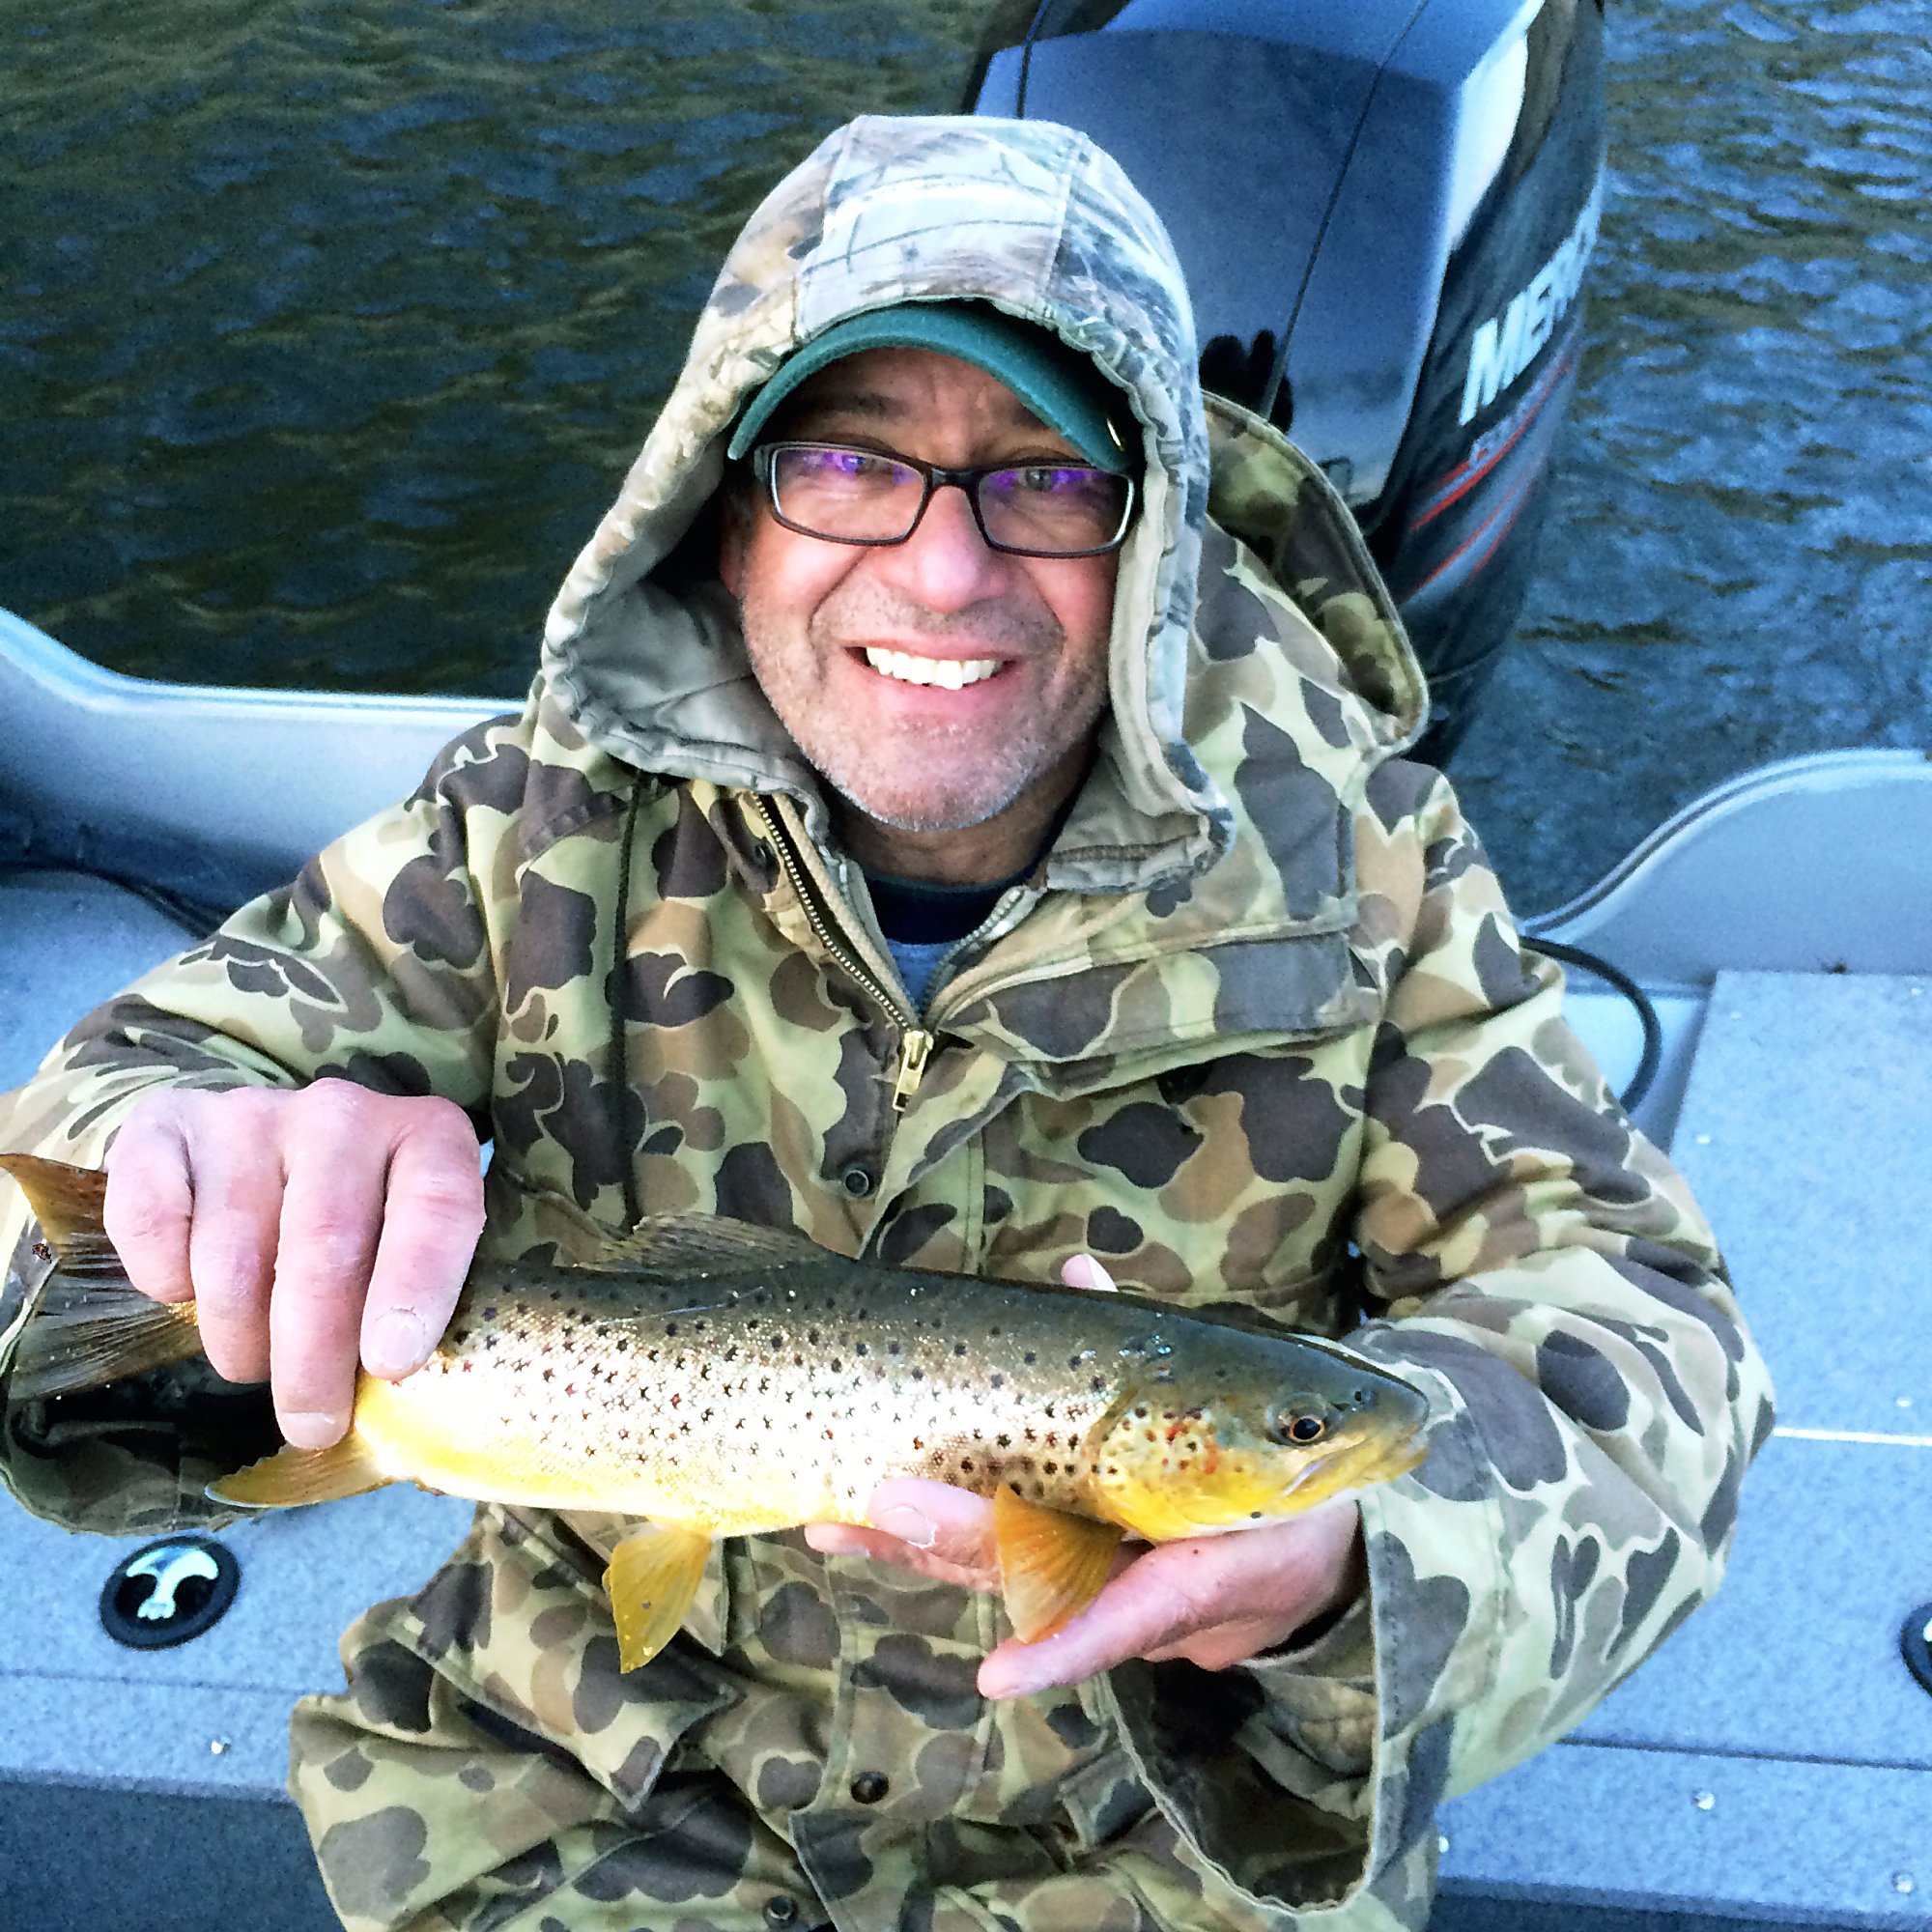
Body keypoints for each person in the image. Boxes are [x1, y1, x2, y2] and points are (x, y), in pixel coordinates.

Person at [0, 114, 1770, 1931]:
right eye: (849, 461)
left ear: (1148, 517)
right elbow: (107, 1122)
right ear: (723, 499)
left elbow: (1642, 1327)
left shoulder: (1367, 862)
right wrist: (171, 1174)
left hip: (1155, 1849)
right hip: (569, 1819)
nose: (943, 571)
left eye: (1044, 476)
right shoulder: (525, 830)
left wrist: (1357, 1568)